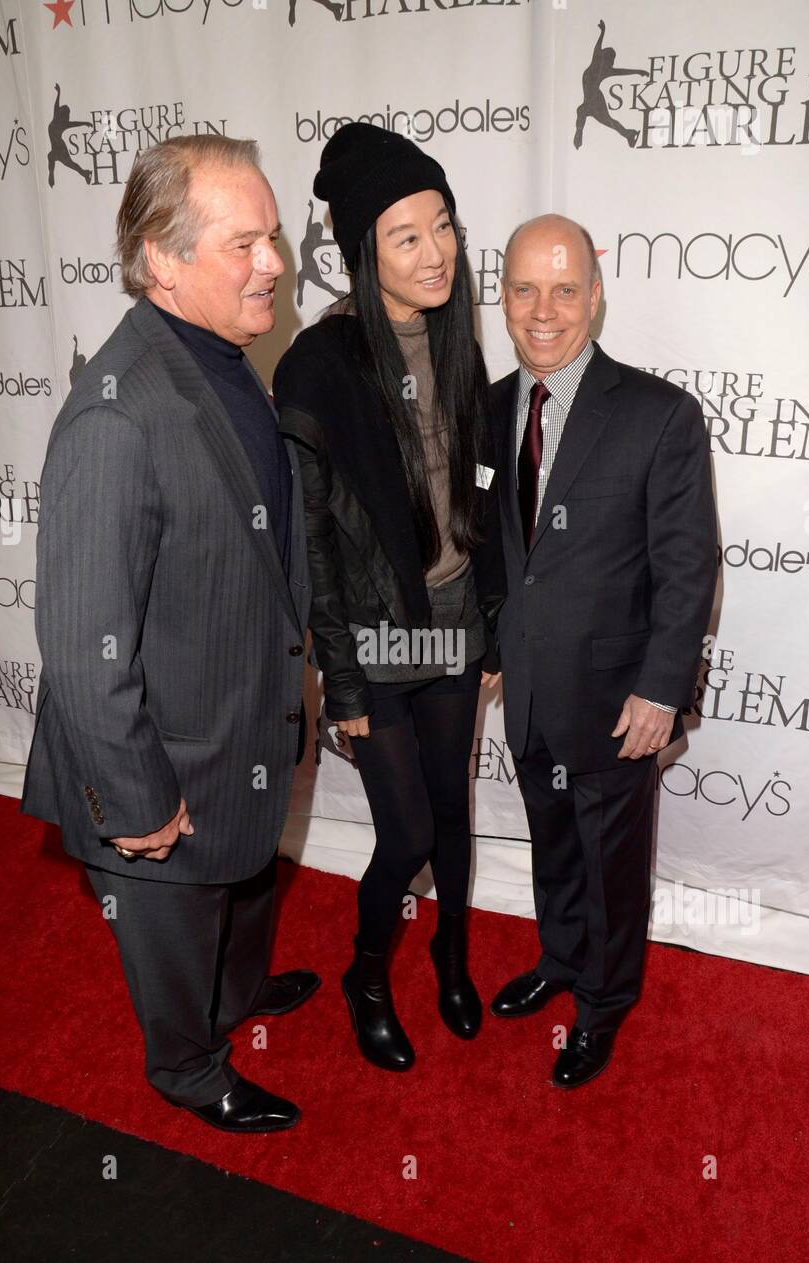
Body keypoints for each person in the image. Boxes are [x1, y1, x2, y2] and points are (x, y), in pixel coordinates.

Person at [21, 135, 318, 1133]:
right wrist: (134, 800)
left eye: (272, 236)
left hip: (230, 729)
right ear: (163, 258)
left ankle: (232, 1001)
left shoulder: (216, 357)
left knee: (236, 884)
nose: (275, 262)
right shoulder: (118, 413)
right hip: (161, 762)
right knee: (174, 917)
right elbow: (79, 639)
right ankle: (190, 1066)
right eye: (246, 244)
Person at [273, 123, 506, 1071]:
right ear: (363, 254)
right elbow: (314, 548)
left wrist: (487, 626)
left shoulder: (457, 344)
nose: (435, 250)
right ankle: (367, 975)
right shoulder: (318, 369)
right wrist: (348, 686)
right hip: (376, 642)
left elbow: (480, 497)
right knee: (404, 829)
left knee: (450, 811)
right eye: (405, 235)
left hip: (454, 627)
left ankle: (450, 957)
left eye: (442, 225)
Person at [489, 214, 717, 1088]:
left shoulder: (658, 415)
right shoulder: (492, 406)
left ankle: (602, 1005)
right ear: (502, 296)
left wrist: (661, 691)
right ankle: (560, 957)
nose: (542, 310)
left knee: (611, 860)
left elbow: (687, 566)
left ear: (596, 295)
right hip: (531, 687)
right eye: (523, 289)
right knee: (551, 839)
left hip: (620, 697)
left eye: (564, 288)